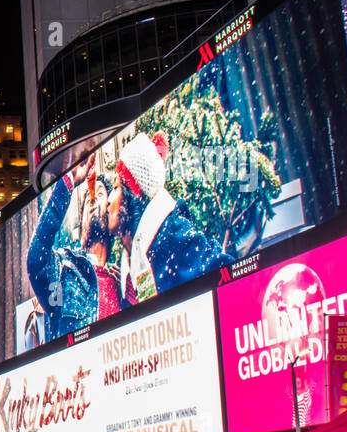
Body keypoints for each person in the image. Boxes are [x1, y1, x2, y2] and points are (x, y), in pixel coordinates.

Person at [106, 131, 232, 301]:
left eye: (115, 188)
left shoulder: (174, 235)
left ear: (133, 193)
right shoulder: (133, 259)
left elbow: (230, 276)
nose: (108, 200)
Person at [27, 153, 122, 341]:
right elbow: (36, 260)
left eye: (100, 194)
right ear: (82, 227)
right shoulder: (64, 271)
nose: (93, 199)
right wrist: (69, 181)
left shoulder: (120, 283)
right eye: (87, 201)